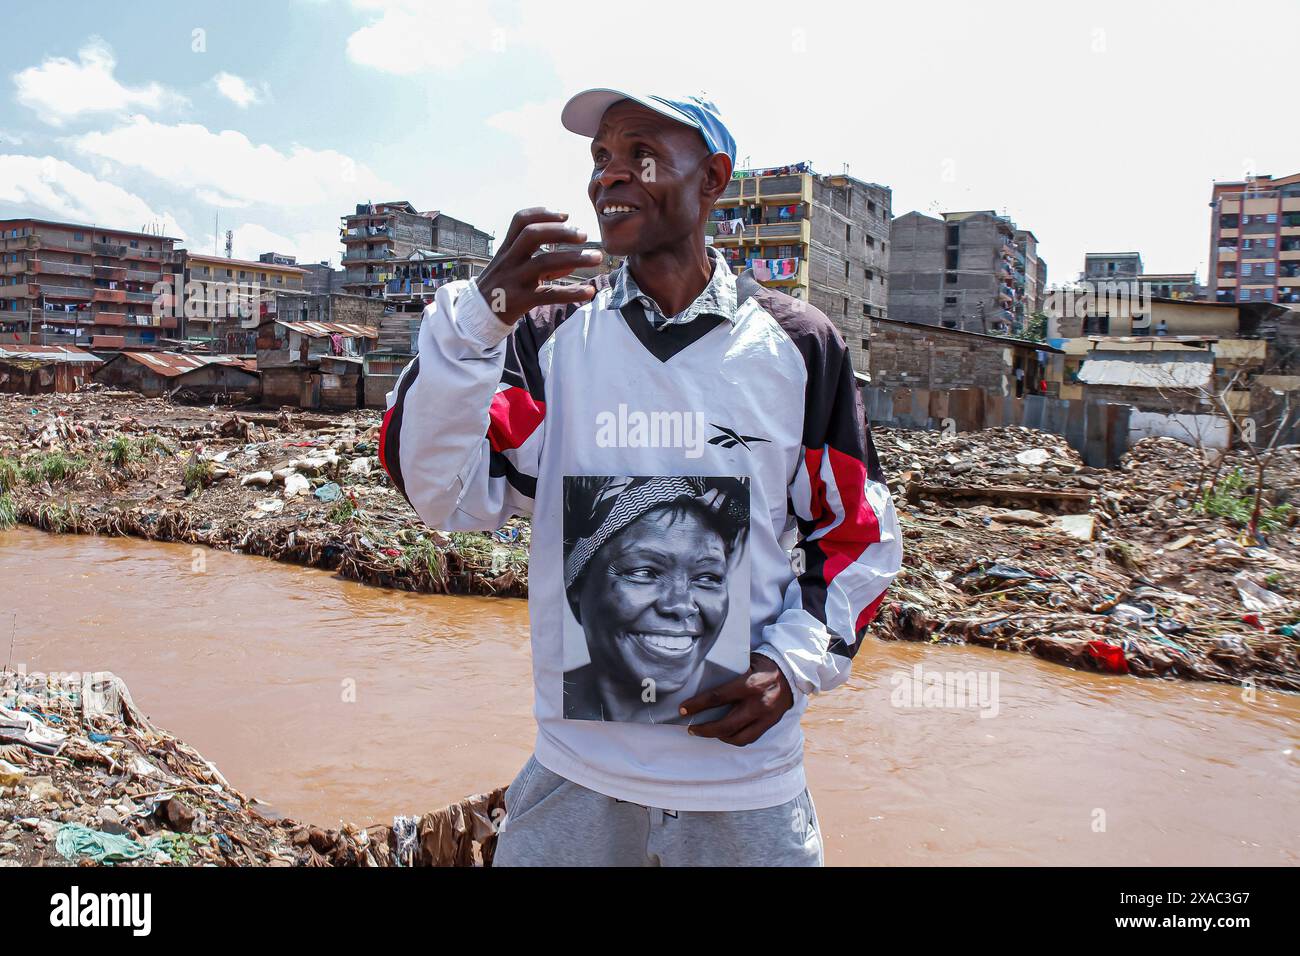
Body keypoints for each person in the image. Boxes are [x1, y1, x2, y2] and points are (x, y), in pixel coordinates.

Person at [379, 90, 902, 866]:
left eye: (640, 154)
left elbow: (857, 534)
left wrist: (789, 669)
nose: (609, 177)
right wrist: (478, 324)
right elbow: (441, 490)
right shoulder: (549, 338)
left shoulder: (797, 345)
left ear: (715, 178)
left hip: (745, 787)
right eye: (599, 159)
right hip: (574, 778)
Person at [562, 475, 750, 724]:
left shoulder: (745, 710)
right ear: (576, 585)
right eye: (644, 573)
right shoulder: (559, 702)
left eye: (707, 577)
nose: (681, 605)